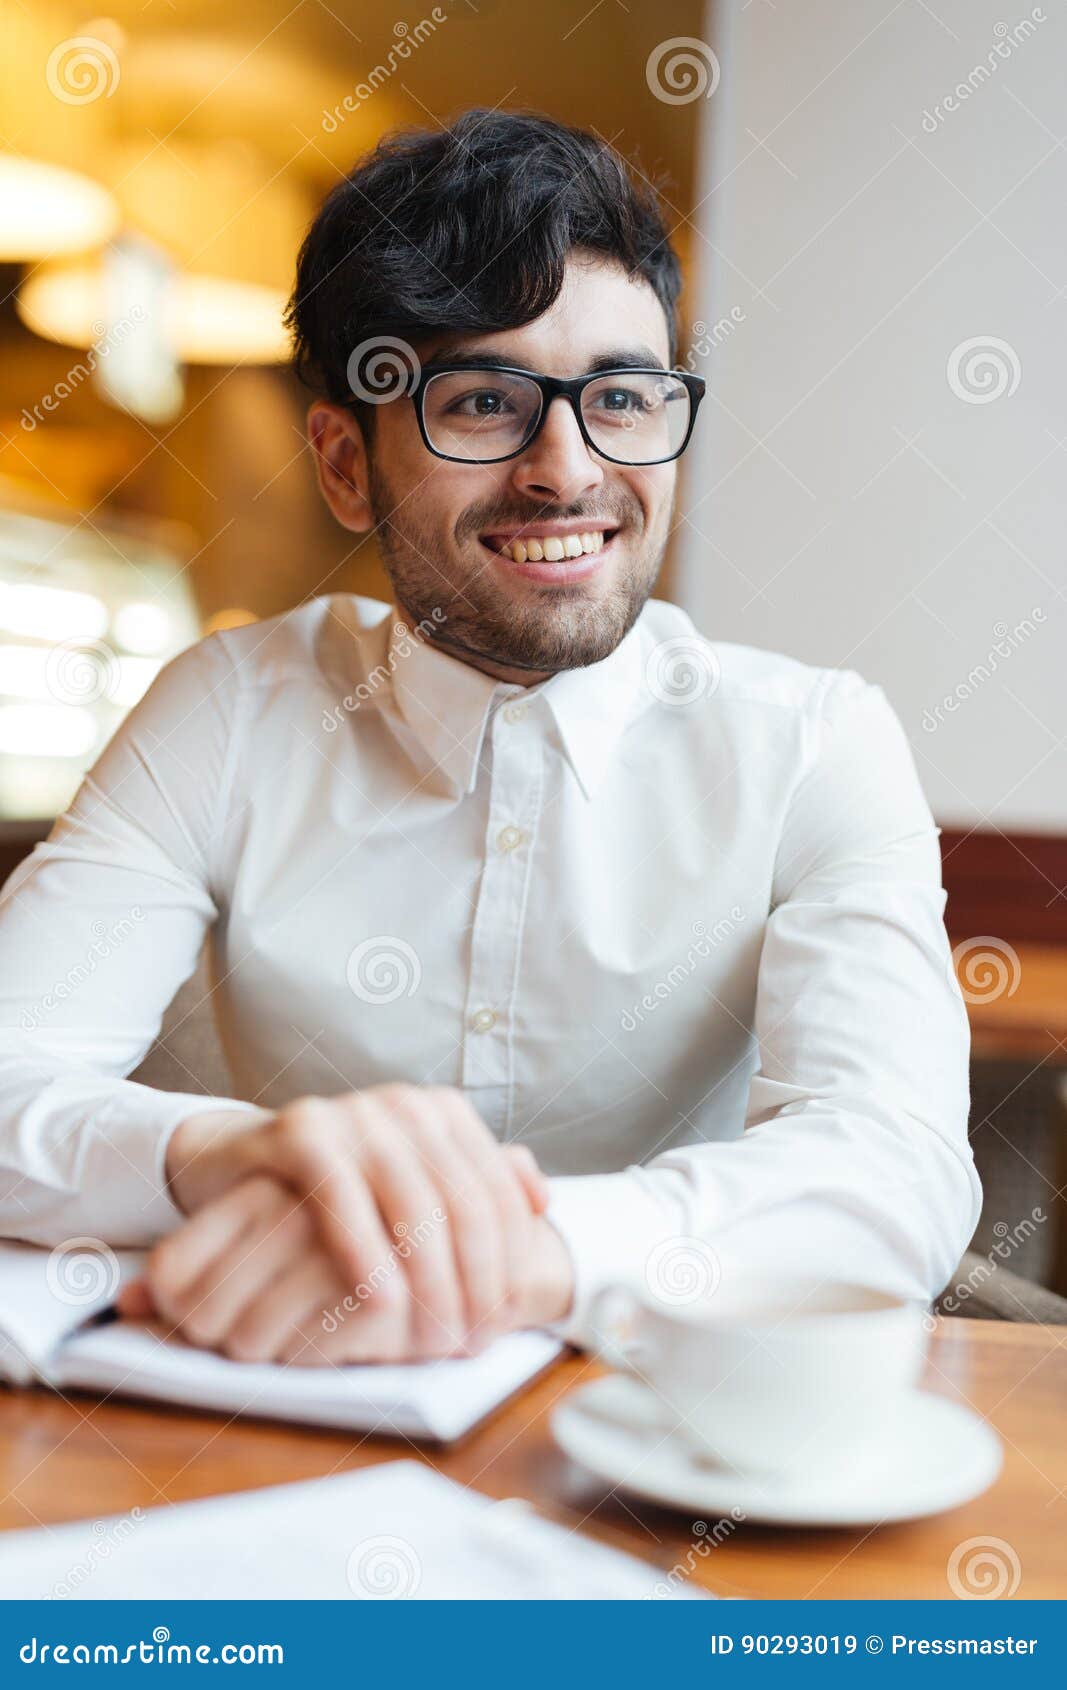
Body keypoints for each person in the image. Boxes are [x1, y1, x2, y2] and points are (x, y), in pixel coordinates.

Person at [0, 110, 979, 1367]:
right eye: (480, 401)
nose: (566, 472)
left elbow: (891, 1170)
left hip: (650, 1449)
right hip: (269, 1423)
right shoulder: (227, 709)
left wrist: (512, 1257)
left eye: (621, 397)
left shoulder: (809, 745)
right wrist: (213, 1155)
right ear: (345, 464)